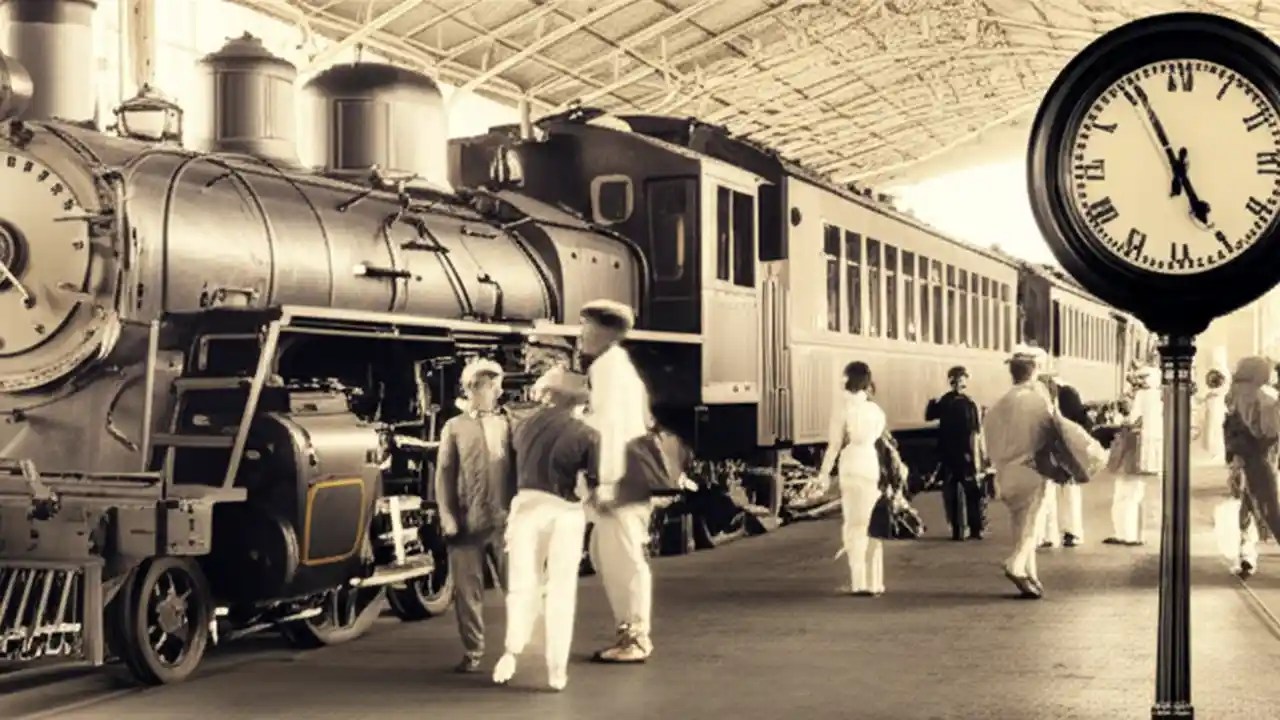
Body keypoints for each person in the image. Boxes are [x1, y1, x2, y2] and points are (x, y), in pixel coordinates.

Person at [494, 367, 596, 691]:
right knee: (560, 591)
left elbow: (506, 474)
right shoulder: (587, 433)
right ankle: (556, 670)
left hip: (525, 507)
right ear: (579, 401)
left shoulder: (523, 426)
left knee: (523, 584)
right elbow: (595, 486)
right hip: (564, 512)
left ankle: (512, 650)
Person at [578, 299, 656, 664]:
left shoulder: (608, 369)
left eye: (584, 326)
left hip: (619, 475)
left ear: (603, 331)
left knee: (621, 558)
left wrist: (605, 482)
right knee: (608, 553)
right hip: (629, 472)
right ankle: (630, 632)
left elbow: (609, 428)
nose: (580, 335)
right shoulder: (621, 368)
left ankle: (635, 638)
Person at [434, 358, 517, 673]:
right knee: (468, 593)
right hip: (467, 520)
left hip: (505, 519)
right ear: (471, 388)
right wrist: (447, 515)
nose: (494, 391)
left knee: (517, 588)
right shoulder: (454, 427)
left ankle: (518, 648)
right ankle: (473, 651)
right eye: (487, 385)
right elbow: (443, 475)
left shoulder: (509, 423)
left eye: (495, 385)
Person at [982, 345, 1054, 599]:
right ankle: (1015, 564)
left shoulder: (999, 404)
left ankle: (1030, 575)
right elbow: (1051, 431)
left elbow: (987, 440)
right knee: (1033, 525)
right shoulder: (1038, 399)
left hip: (1006, 472)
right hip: (1032, 468)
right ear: (1033, 372)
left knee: (1019, 525)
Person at [817, 361, 888, 596]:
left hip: (850, 466)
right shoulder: (875, 411)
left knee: (854, 525)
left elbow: (834, 446)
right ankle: (876, 582)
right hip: (870, 465)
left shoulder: (843, 409)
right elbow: (880, 440)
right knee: (872, 526)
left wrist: (824, 474)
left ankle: (858, 582)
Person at [1224, 356, 1280, 579]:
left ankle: (1246, 557)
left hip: (1242, 458)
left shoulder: (1235, 393)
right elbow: (1265, 431)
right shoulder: (1261, 396)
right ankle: (1247, 556)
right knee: (1270, 508)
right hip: (1259, 457)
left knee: (1246, 507)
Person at [925, 366, 986, 541]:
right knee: (970, 491)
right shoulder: (967, 403)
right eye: (957, 379)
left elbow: (929, 416)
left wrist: (932, 402)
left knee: (954, 492)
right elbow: (975, 432)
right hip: (962, 452)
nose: (959, 382)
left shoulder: (950, 401)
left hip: (951, 452)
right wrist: (978, 456)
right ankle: (973, 528)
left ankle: (960, 528)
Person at [1105, 364, 1162, 546]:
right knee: (1136, 494)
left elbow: (1133, 420)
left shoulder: (1143, 396)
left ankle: (1125, 534)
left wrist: (1119, 421)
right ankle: (1136, 534)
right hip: (1147, 449)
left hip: (1134, 448)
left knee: (1125, 493)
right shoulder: (1158, 396)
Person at [1036, 373, 1093, 549]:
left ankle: (1065, 533)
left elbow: (1078, 423)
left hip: (1065, 450)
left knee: (1063, 491)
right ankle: (1058, 533)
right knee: (1055, 491)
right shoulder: (1054, 396)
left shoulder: (1067, 395)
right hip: (1053, 449)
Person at [1202, 369, 1227, 465]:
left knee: (1215, 432)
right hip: (1216, 414)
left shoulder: (1213, 395)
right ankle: (1216, 452)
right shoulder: (1217, 394)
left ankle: (1217, 452)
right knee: (1215, 432)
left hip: (1216, 415)